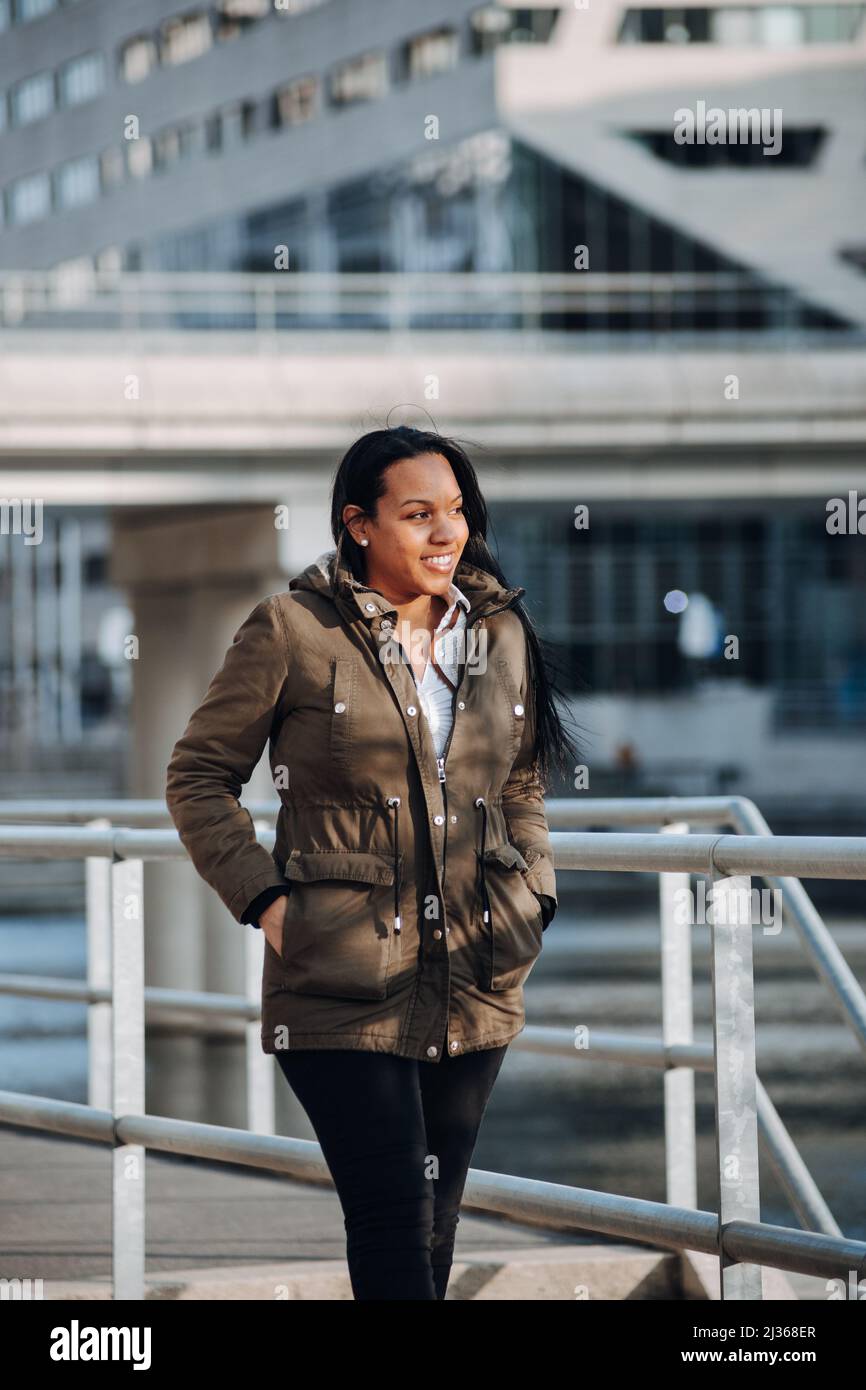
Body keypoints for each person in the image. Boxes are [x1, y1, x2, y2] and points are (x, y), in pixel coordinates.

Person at [165, 424, 581, 1300]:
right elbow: (199, 777)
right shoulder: (292, 630)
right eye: (419, 514)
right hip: (339, 980)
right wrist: (272, 904)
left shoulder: (497, 631)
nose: (447, 533)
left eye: (457, 512)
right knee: (392, 1219)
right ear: (359, 524)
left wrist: (532, 892)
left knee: (434, 1222)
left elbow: (521, 780)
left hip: (477, 970)